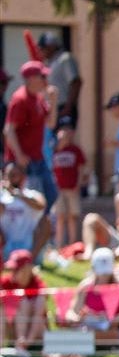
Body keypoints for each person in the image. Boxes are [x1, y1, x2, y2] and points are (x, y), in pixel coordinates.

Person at [4, 61, 58, 210]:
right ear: (31, 79)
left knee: (50, 196)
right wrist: (19, 155)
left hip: (37, 158)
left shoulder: (38, 98)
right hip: (23, 162)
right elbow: (9, 130)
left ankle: (38, 228)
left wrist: (53, 102)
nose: (45, 80)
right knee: (28, 202)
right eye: (42, 76)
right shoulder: (20, 99)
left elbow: (51, 124)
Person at [62, 247, 119, 352]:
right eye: (101, 273)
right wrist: (77, 318)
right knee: (80, 331)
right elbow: (72, 313)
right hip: (89, 327)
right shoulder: (85, 286)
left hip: (113, 330)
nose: (104, 277)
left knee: (99, 334)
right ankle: (68, 351)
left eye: (106, 273)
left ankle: (71, 347)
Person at [0, 249, 47, 357]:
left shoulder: (38, 286)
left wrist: (28, 340)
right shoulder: (6, 283)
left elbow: (38, 315)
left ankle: (22, 347)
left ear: (27, 269)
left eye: (17, 269)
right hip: (13, 329)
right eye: (12, 269)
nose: (13, 272)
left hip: (35, 331)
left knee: (25, 302)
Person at [1, 161, 51, 262]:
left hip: (29, 246)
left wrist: (17, 194)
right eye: (9, 175)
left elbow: (41, 206)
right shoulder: (2, 197)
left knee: (45, 221)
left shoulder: (32, 194)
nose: (11, 178)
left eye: (15, 175)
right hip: (7, 245)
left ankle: (30, 261)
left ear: (23, 176)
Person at [50, 117, 86, 248]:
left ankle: (72, 243)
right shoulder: (55, 149)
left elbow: (81, 168)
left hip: (72, 187)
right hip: (58, 188)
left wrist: (79, 183)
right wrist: (61, 143)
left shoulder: (76, 150)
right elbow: (50, 164)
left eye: (69, 130)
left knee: (72, 216)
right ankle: (59, 244)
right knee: (60, 216)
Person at [37, 32, 82, 120]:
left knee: (63, 133)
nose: (41, 51)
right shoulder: (49, 63)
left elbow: (76, 83)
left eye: (43, 48)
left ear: (51, 46)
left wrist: (68, 107)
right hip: (51, 108)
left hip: (63, 107)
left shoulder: (65, 58)